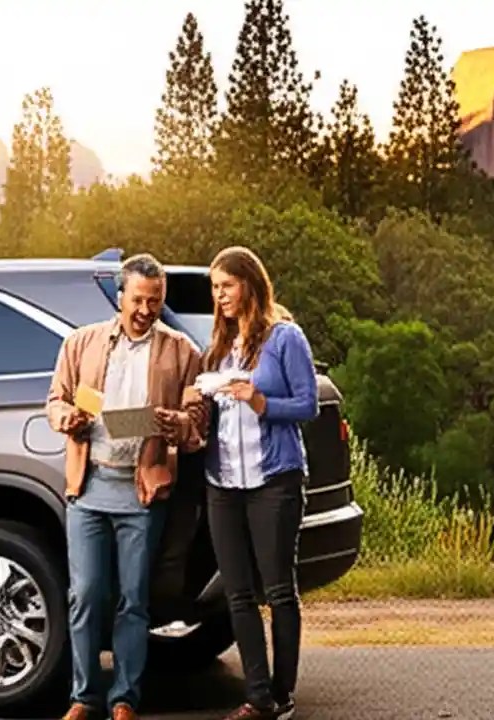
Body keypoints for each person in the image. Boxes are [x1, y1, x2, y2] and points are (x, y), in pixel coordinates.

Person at [46, 253, 208, 720]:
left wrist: (171, 423)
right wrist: (67, 418)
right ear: (120, 297)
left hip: (142, 493)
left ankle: (124, 699)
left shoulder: (182, 351)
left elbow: (198, 426)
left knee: (133, 600)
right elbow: (55, 400)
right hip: (89, 485)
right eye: (138, 299)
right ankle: (83, 695)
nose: (145, 308)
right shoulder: (82, 344)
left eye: (155, 301)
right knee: (86, 594)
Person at [188, 246, 318, 720]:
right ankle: (258, 696)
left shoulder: (286, 338)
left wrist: (260, 400)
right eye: (214, 288)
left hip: (274, 480)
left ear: (250, 284)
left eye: (226, 285)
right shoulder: (219, 347)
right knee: (237, 593)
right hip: (223, 482)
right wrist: (196, 401)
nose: (219, 296)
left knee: (278, 589)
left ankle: (282, 696)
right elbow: (213, 416)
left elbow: (308, 405)